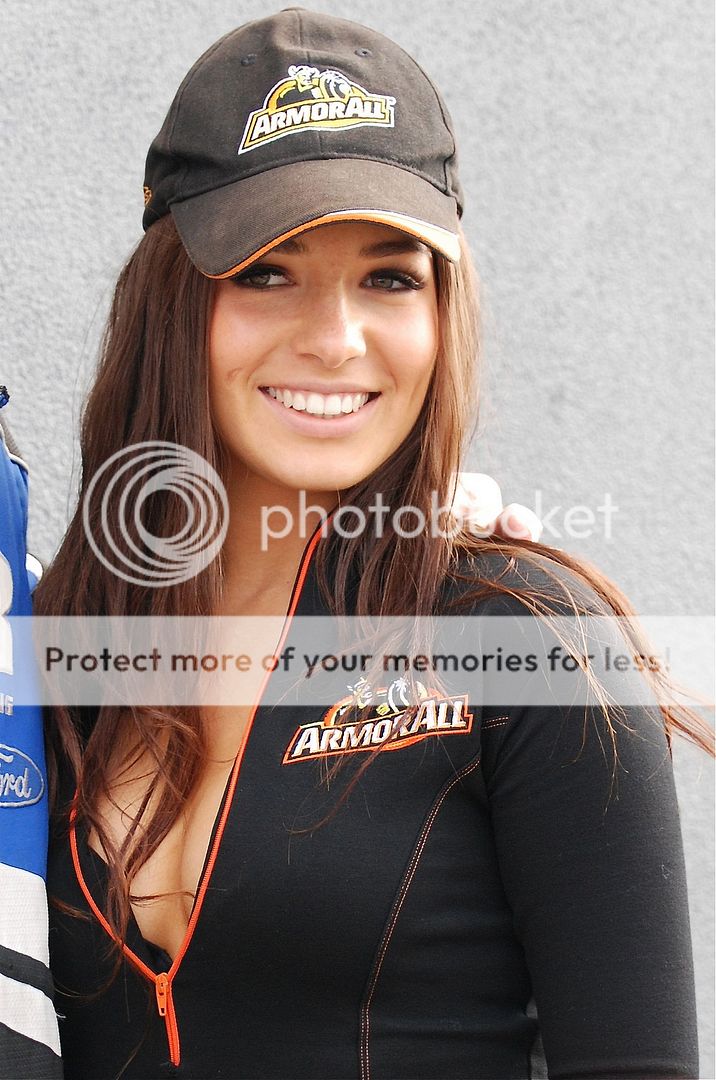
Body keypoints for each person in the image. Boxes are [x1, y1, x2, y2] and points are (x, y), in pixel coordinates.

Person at [33, 10, 713, 1080]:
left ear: (442, 313)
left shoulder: (522, 638)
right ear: (170, 296)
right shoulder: (58, 649)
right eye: (266, 270)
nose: (337, 338)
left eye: (390, 277)